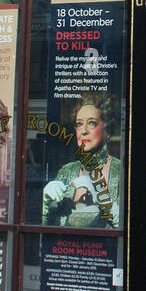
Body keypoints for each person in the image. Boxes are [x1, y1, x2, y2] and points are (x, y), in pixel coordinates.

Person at [42, 95, 121, 228]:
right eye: (79, 124)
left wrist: (101, 197)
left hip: (104, 248)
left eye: (92, 123)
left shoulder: (121, 170)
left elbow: (127, 228)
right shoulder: (67, 171)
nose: (83, 131)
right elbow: (47, 230)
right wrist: (46, 205)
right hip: (65, 248)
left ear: (107, 130)